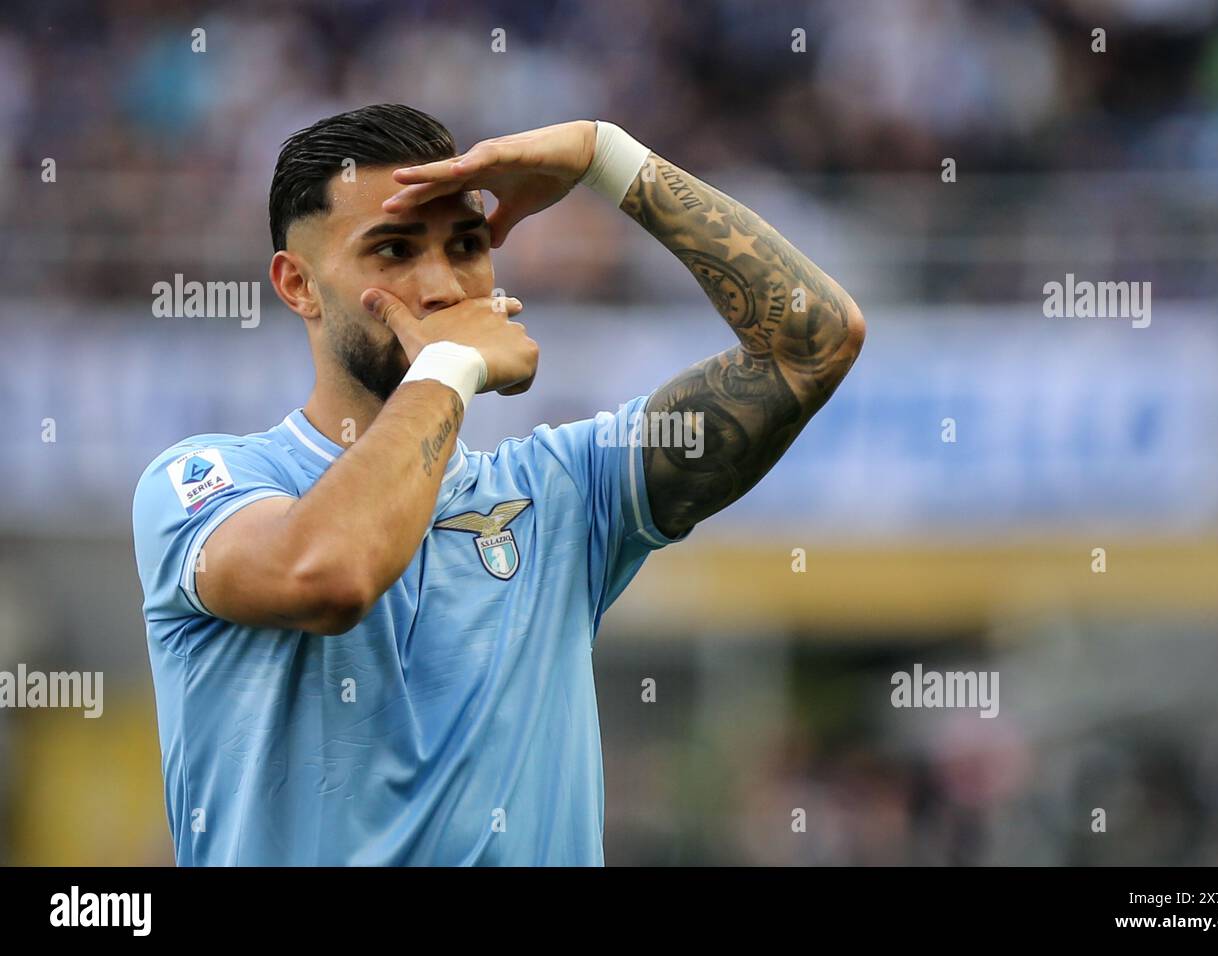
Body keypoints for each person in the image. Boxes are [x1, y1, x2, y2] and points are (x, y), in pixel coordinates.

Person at [131, 104, 864, 865]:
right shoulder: (202, 484)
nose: (443, 285)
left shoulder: (567, 492)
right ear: (298, 285)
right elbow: (330, 574)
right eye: (393, 250)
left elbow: (812, 345)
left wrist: (606, 158)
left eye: (468, 245)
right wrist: (447, 369)